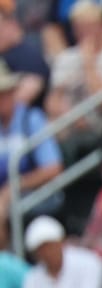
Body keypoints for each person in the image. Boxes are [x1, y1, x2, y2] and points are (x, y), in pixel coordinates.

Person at [44, 0, 102, 149]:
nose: (85, 33)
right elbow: (52, 103)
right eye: (80, 28)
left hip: (101, 130)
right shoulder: (66, 58)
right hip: (67, 125)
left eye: (90, 27)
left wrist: (88, 63)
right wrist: (69, 114)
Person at [0, 60, 62, 219]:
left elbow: (52, 168)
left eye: (2, 94)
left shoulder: (32, 119)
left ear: (12, 92)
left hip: (33, 195)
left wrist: (13, 187)